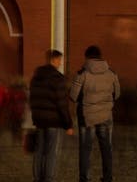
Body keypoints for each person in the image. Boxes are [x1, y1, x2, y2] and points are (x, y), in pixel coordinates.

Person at [70, 45, 120, 182]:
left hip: (87, 117)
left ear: (87, 57)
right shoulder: (112, 73)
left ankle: (85, 178)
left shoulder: (82, 74)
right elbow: (117, 94)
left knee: (85, 149)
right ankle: (108, 177)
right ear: (100, 56)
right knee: (106, 148)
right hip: (106, 116)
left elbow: (73, 96)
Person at [28, 49, 73, 182]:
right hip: (53, 120)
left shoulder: (36, 77)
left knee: (39, 150)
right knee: (51, 151)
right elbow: (62, 103)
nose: (60, 63)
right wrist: (68, 124)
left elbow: (32, 98)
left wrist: (35, 115)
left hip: (39, 120)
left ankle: (37, 178)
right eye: (59, 60)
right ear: (54, 60)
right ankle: (48, 178)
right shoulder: (58, 78)